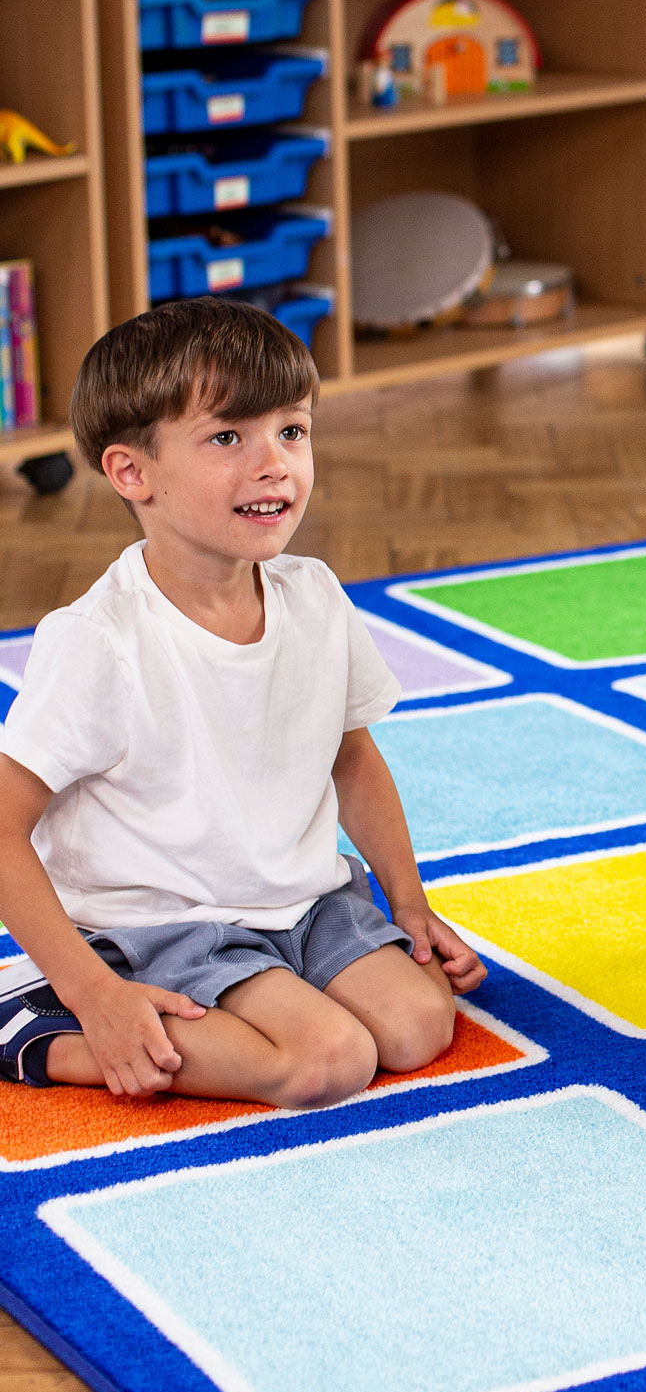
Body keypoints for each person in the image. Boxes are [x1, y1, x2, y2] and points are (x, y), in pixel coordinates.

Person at [0, 300, 485, 1103]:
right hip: (162, 922)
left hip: (303, 900)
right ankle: (37, 1027)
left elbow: (353, 760)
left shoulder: (316, 595)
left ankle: (265, 988)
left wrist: (411, 906)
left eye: (292, 431)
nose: (275, 464)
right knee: (322, 1063)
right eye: (229, 437)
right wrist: (95, 995)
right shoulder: (98, 641)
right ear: (132, 473)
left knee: (415, 1026)